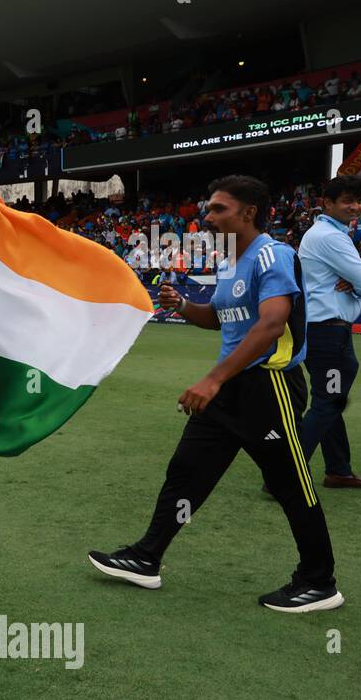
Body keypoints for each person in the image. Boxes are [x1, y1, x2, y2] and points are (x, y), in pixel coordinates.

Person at [87, 175, 343, 613]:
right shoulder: (229, 259)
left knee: (290, 485)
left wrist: (212, 379)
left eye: (218, 209)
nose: (207, 216)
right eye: (207, 208)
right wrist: (184, 306)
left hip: (271, 386)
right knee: (187, 469)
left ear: (249, 212)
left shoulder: (273, 255)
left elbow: (271, 325)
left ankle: (320, 582)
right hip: (230, 386)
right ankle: (147, 557)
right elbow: (222, 318)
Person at [296, 175, 361, 488]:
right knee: (328, 401)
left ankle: (338, 470)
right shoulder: (330, 236)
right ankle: (283, 473)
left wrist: (353, 285)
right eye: (347, 200)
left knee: (331, 399)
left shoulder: (325, 233)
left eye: (358, 201)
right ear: (327, 203)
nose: (356, 207)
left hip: (322, 331)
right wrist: (357, 287)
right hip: (327, 332)